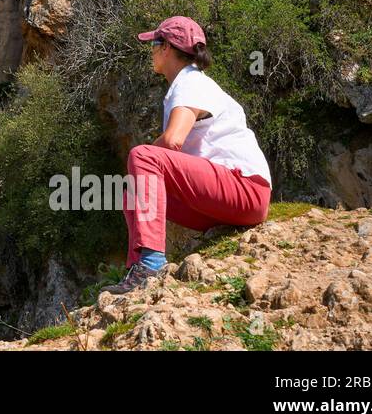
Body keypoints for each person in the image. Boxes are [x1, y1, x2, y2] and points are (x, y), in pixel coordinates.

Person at [103, 16, 272, 295]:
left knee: (143, 156)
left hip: (246, 190)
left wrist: (141, 159)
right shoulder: (186, 84)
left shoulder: (191, 83)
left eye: (154, 44)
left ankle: (151, 263)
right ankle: (138, 271)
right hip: (226, 199)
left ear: (166, 47)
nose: (151, 51)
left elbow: (173, 140)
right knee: (133, 190)